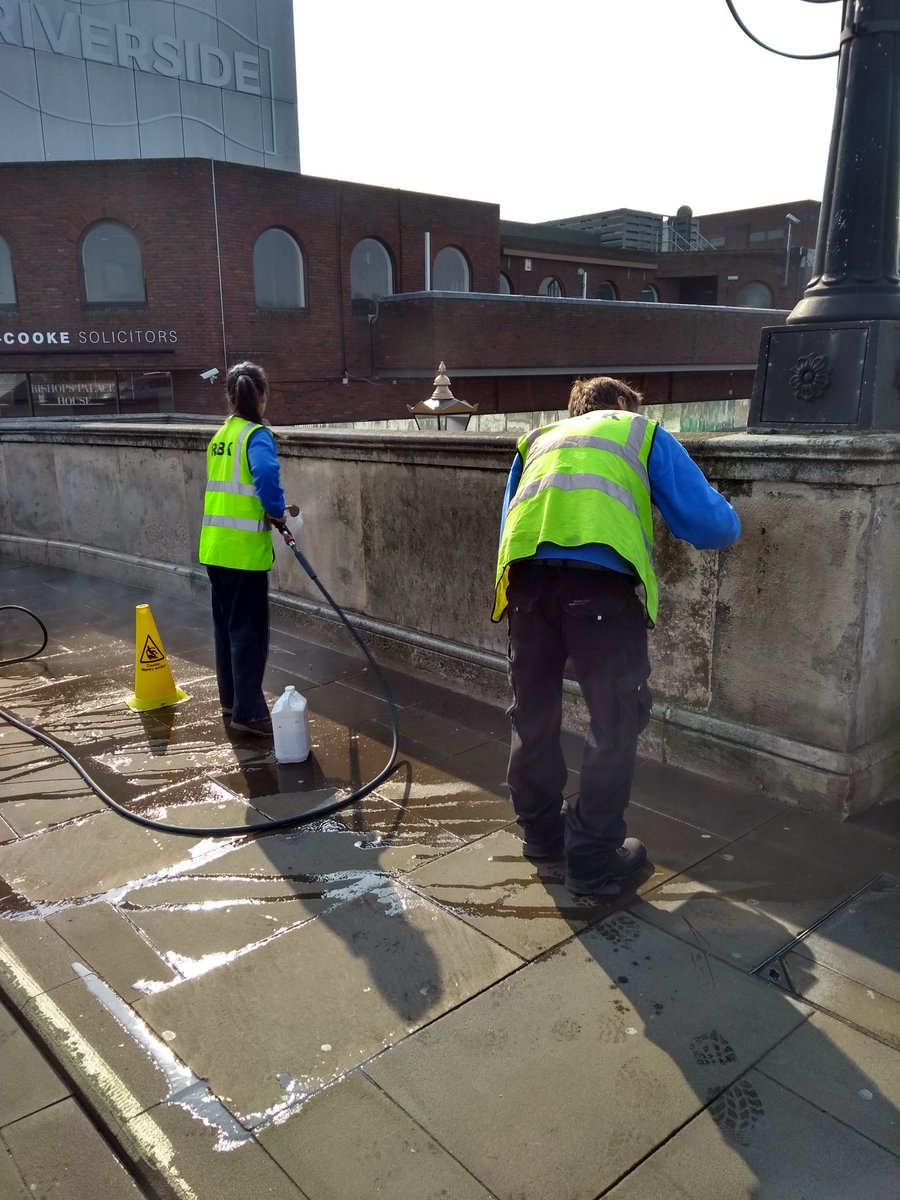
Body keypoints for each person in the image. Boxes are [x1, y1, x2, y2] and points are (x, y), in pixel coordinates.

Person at [492, 376, 741, 894]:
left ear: (575, 408)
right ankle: (592, 856)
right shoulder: (640, 433)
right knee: (614, 720)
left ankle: (540, 834)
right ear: (625, 405)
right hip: (599, 591)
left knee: (533, 713)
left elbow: (508, 526)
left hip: (525, 586)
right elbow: (714, 527)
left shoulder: (537, 439)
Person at [198, 361, 286, 737]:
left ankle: (232, 699)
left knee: (226, 628)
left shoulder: (220, 437)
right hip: (243, 553)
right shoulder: (257, 436)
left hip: (214, 549)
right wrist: (276, 511)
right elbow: (265, 475)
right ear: (262, 396)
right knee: (249, 634)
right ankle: (249, 713)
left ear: (230, 397)